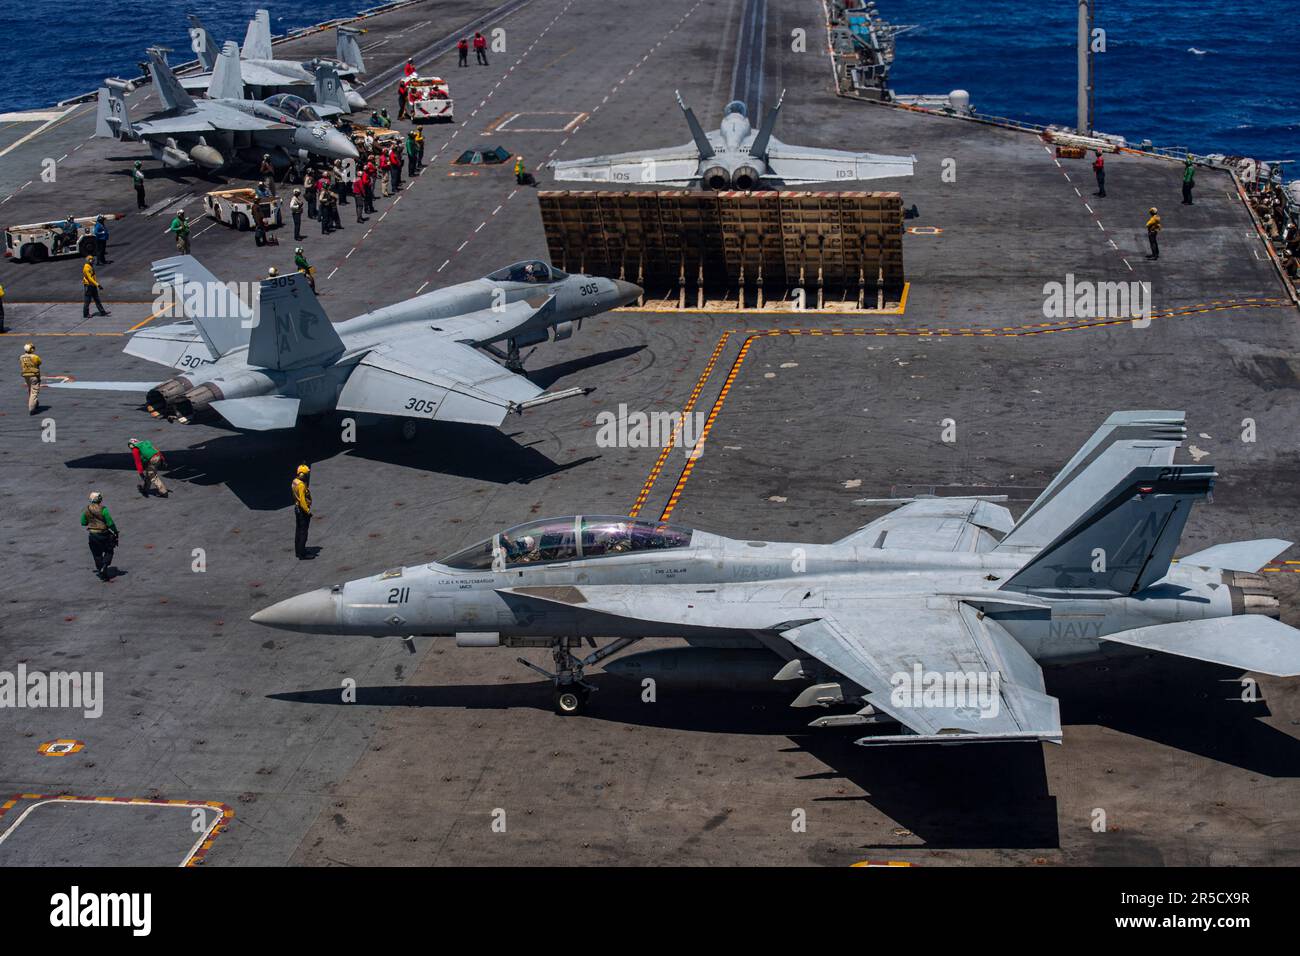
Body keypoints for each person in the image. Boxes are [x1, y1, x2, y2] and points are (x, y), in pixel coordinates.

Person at [81, 491, 120, 580]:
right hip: (104, 534)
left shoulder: (87, 510)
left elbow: (83, 522)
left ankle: (101, 569)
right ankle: (105, 565)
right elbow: (110, 523)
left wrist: (90, 521)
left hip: (93, 536)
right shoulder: (103, 509)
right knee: (109, 550)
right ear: (99, 499)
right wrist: (115, 531)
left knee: (96, 554)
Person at [291, 464, 313, 559]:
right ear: (303, 474)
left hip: (297, 508)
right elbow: (303, 501)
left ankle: (298, 551)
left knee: (298, 531)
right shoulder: (301, 485)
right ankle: (302, 554)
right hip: (302, 510)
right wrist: (308, 511)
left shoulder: (295, 482)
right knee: (303, 532)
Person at [20, 342, 41, 414]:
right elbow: (39, 362)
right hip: (34, 375)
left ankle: (36, 403)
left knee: (31, 389)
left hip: (26, 376)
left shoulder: (21, 357)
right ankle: (31, 408)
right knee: (34, 392)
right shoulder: (35, 357)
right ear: (31, 350)